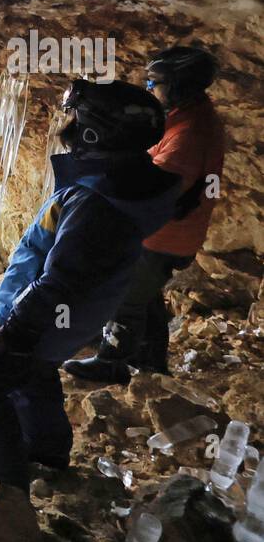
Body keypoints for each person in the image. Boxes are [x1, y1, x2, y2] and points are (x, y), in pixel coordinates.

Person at [0, 80, 180, 495]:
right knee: (33, 372)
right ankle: (46, 451)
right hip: (77, 318)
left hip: (43, 315)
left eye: (78, 120)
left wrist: (16, 328)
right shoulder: (129, 186)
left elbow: (61, 278)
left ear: (96, 133)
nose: (70, 127)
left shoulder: (96, 202)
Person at [63, 47, 225, 383]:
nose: (150, 88)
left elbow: (158, 186)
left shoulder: (189, 135)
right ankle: (150, 361)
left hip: (162, 234)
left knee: (127, 295)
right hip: (174, 232)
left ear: (178, 87)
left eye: (156, 83)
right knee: (145, 294)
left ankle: (112, 361)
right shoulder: (189, 116)